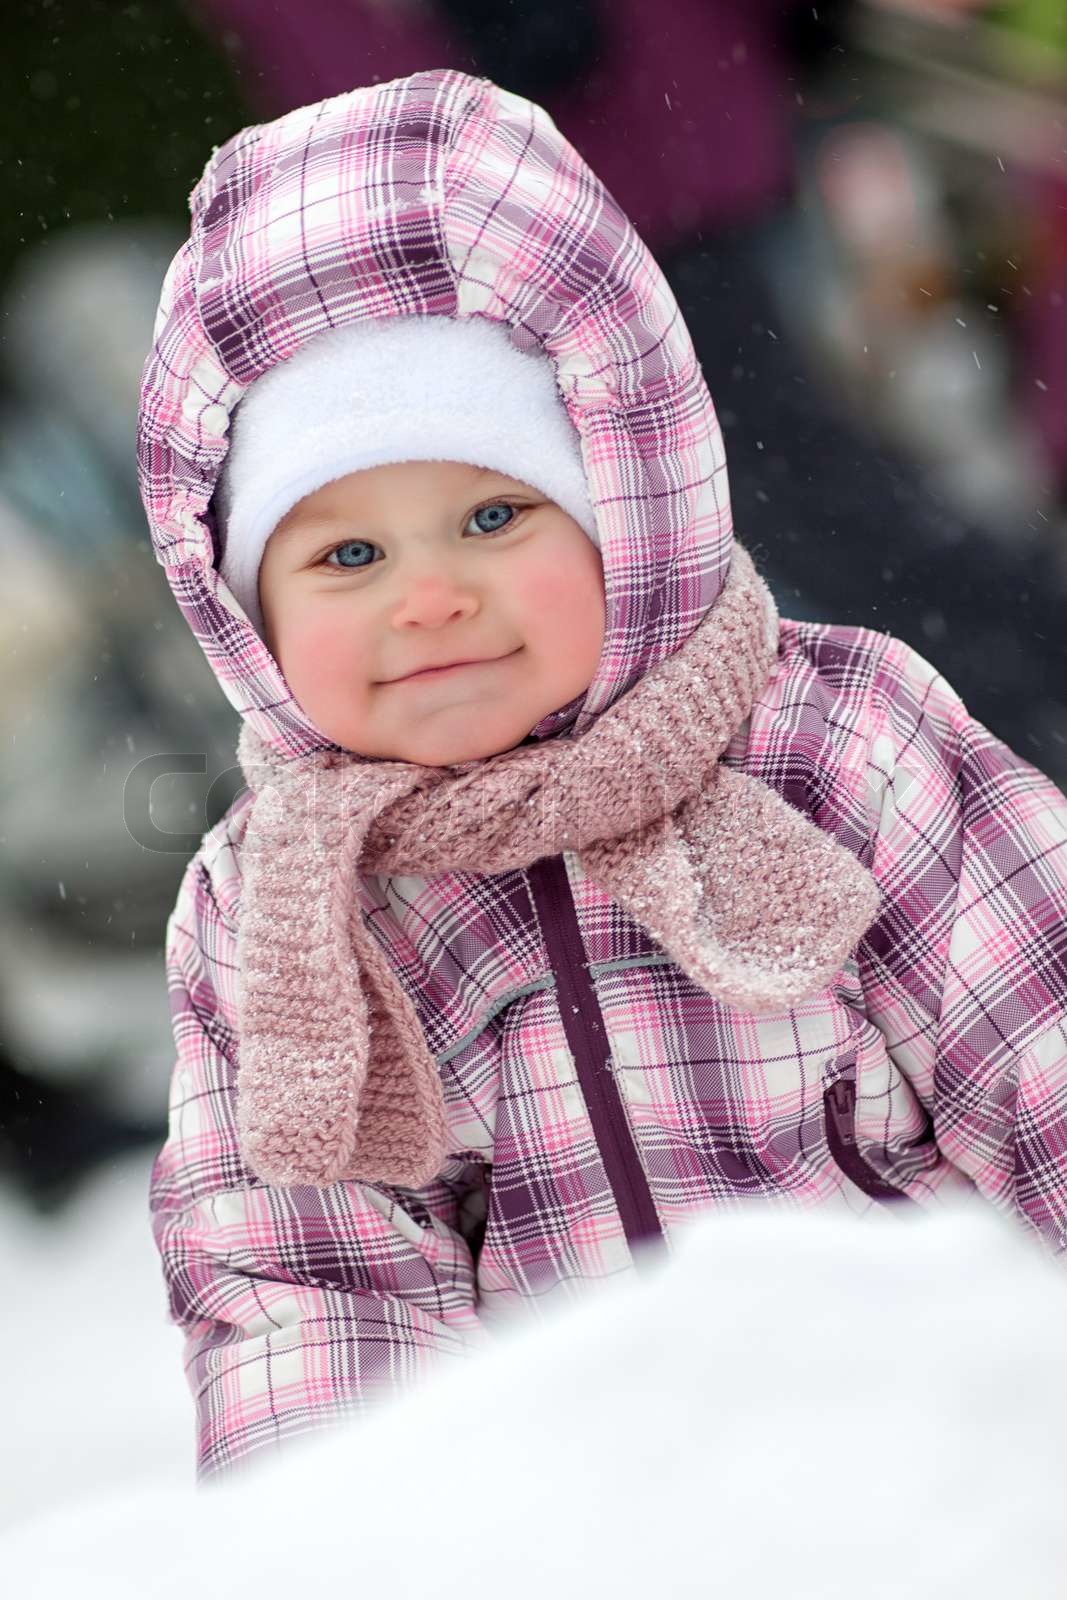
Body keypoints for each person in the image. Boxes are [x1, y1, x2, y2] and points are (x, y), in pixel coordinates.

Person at [140, 68, 1067, 1483]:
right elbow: (306, 1286)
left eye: (495, 514)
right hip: (596, 1515)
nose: (431, 598)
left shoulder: (838, 737)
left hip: (940, 1463)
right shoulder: (284, 907)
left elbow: (1043, 1049)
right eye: (346, 556)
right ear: (242, 610)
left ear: (629, 500)